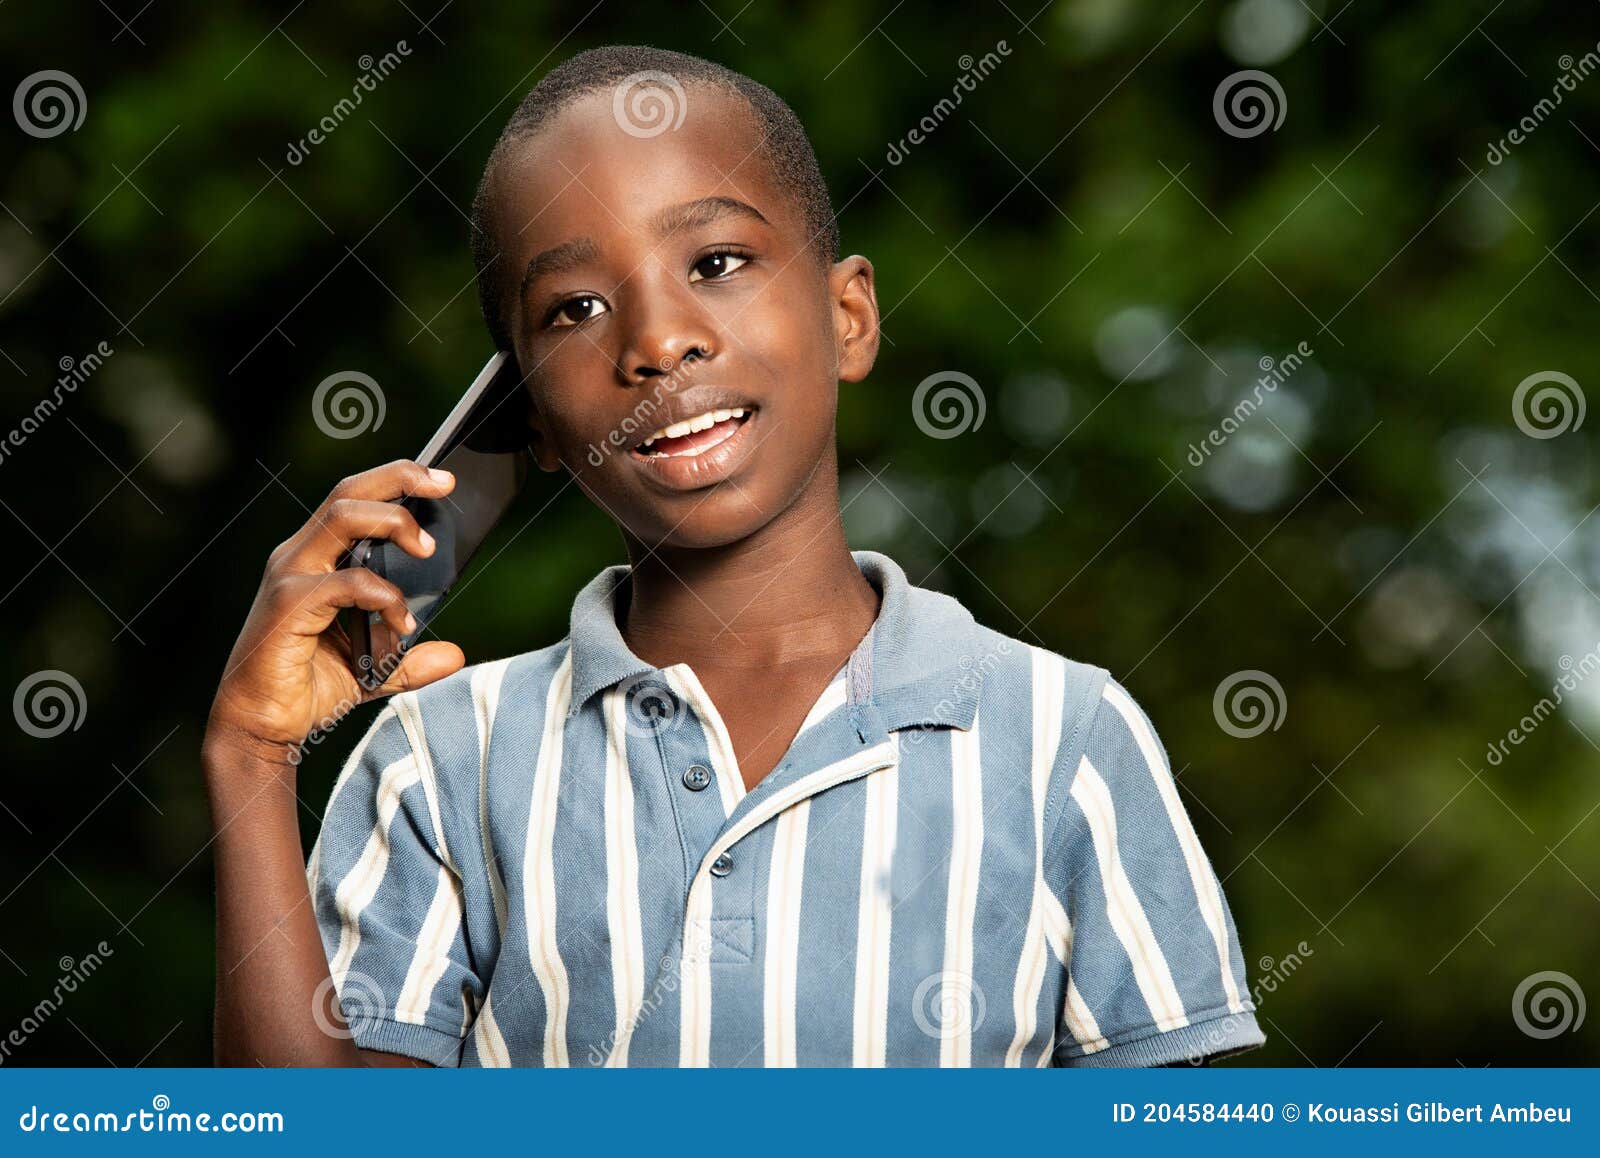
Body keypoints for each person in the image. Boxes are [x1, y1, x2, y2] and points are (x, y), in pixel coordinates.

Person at [203, 44, 1264, 1068]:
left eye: (715, 262)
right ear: (529, 418)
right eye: (575, 309)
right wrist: (251, 759)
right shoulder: (446, 762)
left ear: (847, 315)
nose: (658, 341)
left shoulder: (1058, 737)